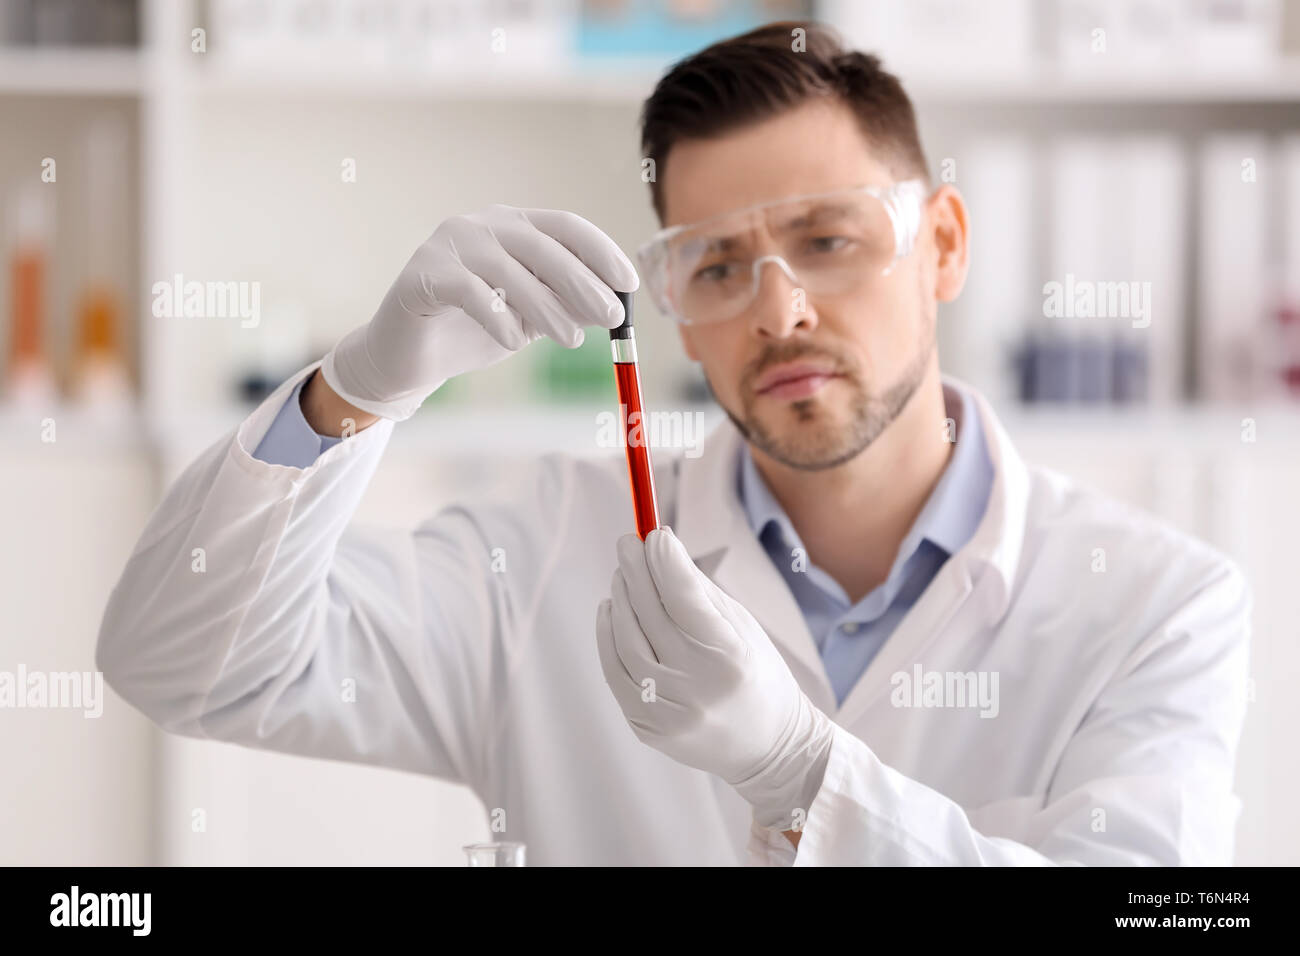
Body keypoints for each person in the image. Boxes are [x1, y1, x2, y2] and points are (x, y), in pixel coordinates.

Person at [96, 21, 1251, 866]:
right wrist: (354, 388)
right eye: (715, 264)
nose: (779, 307)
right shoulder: (545, 551)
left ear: (941, 243)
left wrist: (800, 773)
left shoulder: (1157, 604)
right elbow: (180, 663)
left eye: (829, 237)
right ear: (673, 305)